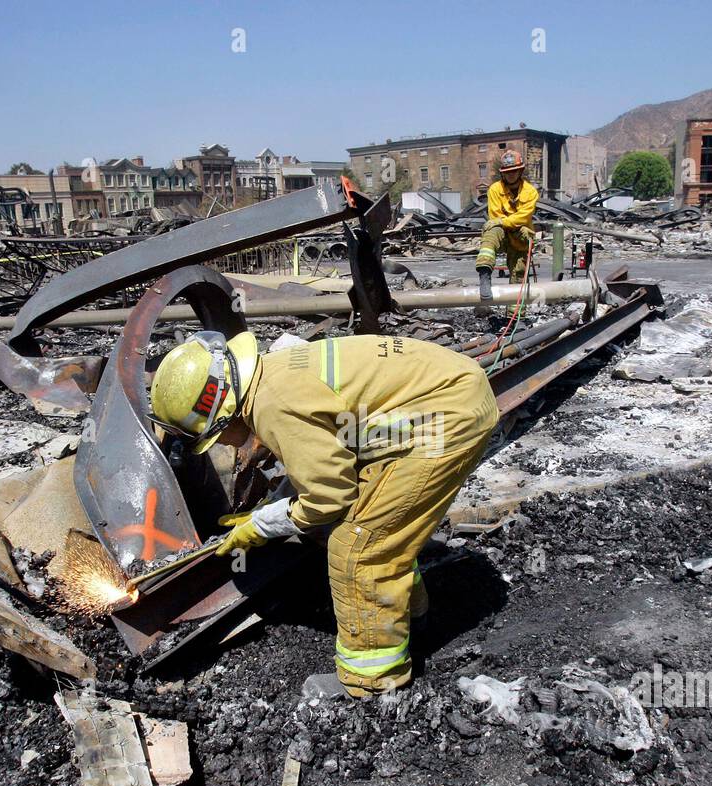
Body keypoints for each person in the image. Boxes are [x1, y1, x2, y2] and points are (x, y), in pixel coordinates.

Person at [149, 329, 498, 698]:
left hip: (446, 418)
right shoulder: (270, 375)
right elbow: (320, 468)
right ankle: (411, 617)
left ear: (224, 415)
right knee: (377, 523)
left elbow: (329, 498)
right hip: (446, 395)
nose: (219, 444)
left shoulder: (273, 406)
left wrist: (264, 525)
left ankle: (373, 680)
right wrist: (271, 509)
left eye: (213, 437)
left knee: (359, 546)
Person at [474, 149, 539, 322]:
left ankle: (515, 320)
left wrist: (512, 224)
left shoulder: (530, 192)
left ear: (520, 171)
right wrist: (510, 224)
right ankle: (484, 272)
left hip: (521, 240)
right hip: (503, 232)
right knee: (491, 229)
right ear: (503, 173)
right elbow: (496, 217)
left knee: (518, 278)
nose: (510, 175)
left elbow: (525, 216)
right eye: (507, 172)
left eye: (513, 171)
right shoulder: (495, 189)